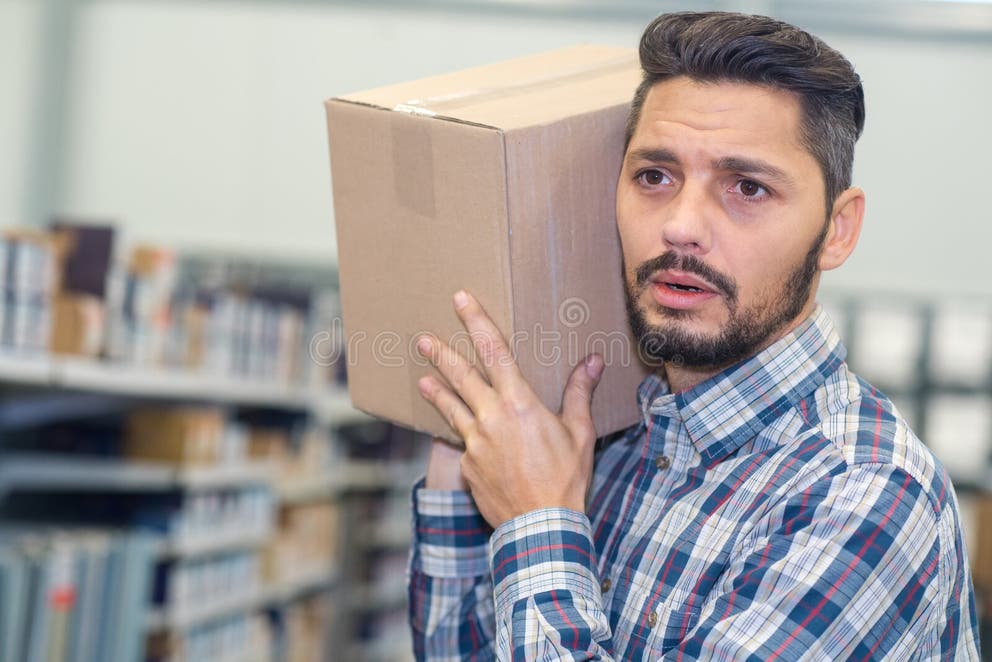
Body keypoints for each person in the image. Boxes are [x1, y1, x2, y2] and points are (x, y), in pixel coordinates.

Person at [407, 10, 980, 661]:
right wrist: (462, 445)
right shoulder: (616, 440)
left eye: (747, 188)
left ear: (837, 230)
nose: (681, 225)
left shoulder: (861, 494)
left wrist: (537, 522)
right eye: (654, 176)